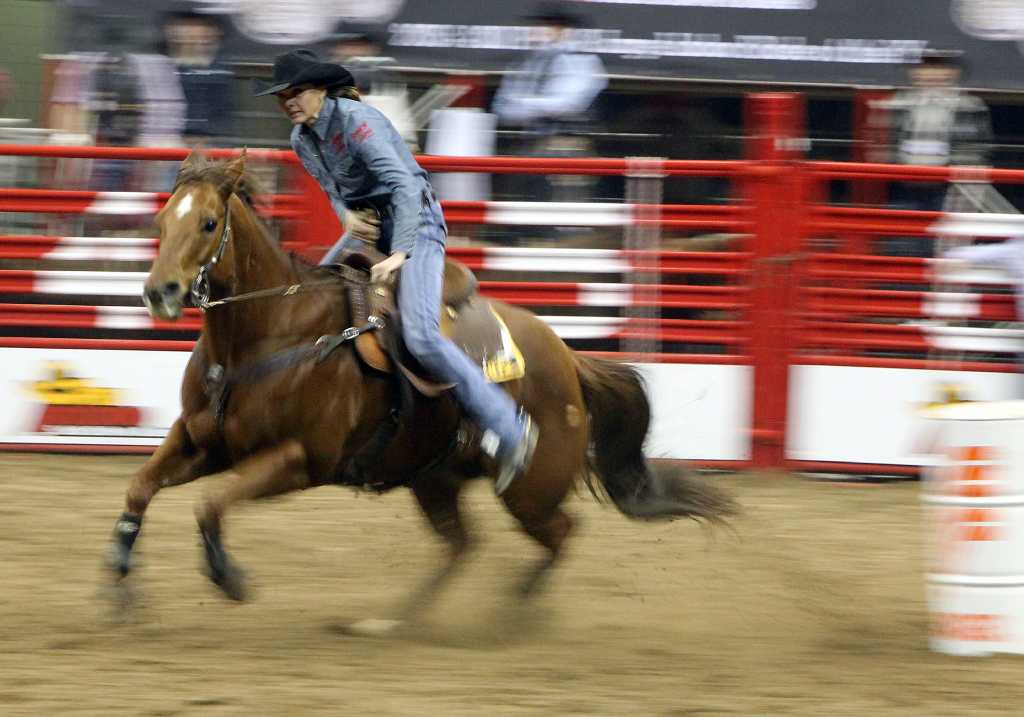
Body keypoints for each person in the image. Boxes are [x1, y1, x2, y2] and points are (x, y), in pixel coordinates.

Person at [254, 49, 538, 494]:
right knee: (310, 299)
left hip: (418, 224)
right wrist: (347, 218)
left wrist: (400, 252)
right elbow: (333, 190)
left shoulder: (355, 121)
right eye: (281, 96)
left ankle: (511, 428)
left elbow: (406, 187)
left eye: (296, 92)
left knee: (422, 334)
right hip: (369, 227)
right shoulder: (301, 140)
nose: (288, 102)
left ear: (321, 91)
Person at [871, 50, 992, 257]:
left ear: (953, 72)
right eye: (925, 67)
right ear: (913, 72)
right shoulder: (895, 103)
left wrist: (951, 170)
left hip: (949, 186)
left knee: (946, 245)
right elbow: (880, 143)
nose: (931, 73)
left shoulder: (970, 106)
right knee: (901, 240)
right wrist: (895, 166)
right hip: (902, 184)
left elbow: (977, 148)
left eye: (938, 66)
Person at [491, 3, 606, 209]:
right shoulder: (527, 63)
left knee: (564, 205)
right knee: (525, 202)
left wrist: (525, 104)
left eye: (547, 25)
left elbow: (570, 104)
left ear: (563, 31)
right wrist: (528, 106)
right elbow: (503, 107)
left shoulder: (582, 60)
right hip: (531, 144)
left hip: (568, 146)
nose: (537, 31)